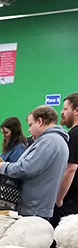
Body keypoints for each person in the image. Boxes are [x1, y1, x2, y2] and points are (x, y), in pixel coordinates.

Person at [0, 106, 69, 220]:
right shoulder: (59, 141)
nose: (29, 130)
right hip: (40, 207)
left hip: (33, 208)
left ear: (39, 121)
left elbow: (26, 168)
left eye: (30, 125)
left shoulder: (48, 142)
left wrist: (4, 167)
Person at [53, 92, 78, 227]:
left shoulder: (75, 135)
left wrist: (58, 198)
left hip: (70, 202)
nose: (62, 112)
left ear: (76, 111)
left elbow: (70, 168)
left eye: (65, 109)